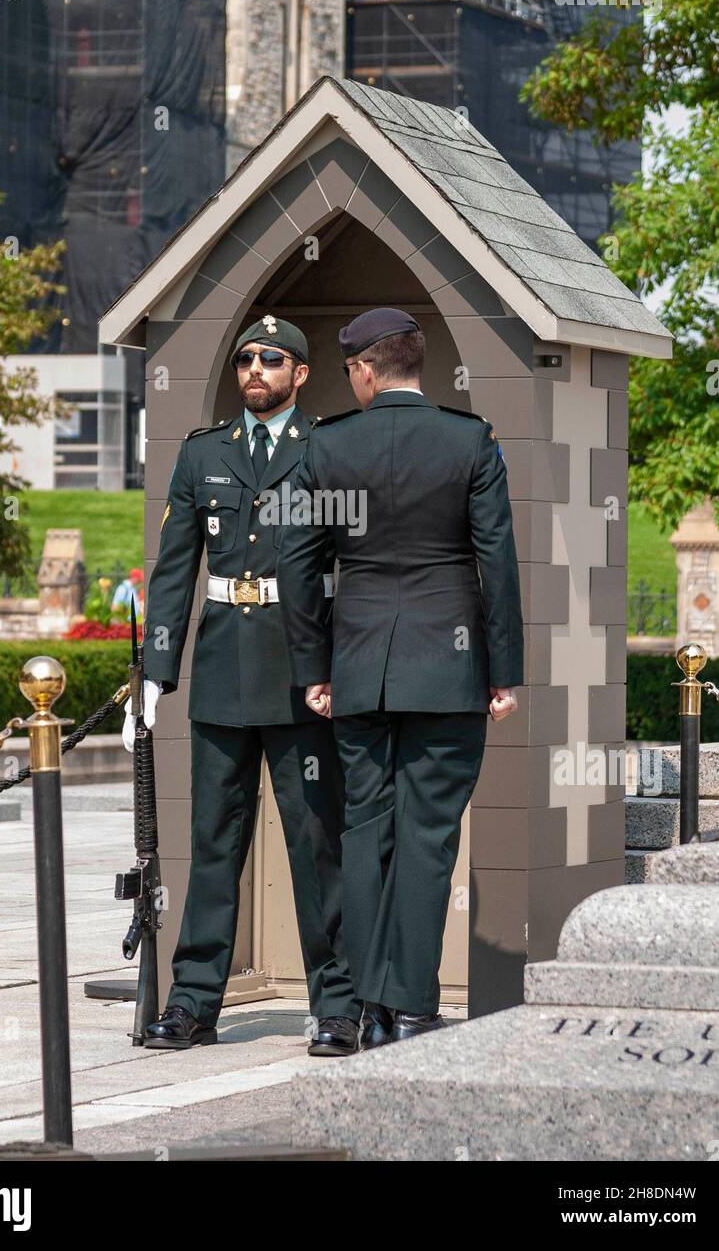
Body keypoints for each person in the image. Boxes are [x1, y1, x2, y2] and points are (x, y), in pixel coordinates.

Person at [276, 307, 524, 1050]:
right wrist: (503, 674)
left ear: (363, 370)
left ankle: (356, 1010)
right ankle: (410, 1007)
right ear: (418, 365)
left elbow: (298, 566)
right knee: (427, 836)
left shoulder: (328, 445)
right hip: (447, 672)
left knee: (364, 832)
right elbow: (497, 567)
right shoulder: (468, 440)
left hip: (358, 668)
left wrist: (313, 667)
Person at [123, 315, 361, 1056]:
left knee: (316, 844)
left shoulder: (326, 448)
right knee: (213, 842)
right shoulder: (203, 456)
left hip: (301, 673)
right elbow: (172, 573)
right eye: (245, 358)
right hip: (223, 671)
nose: (254, 368)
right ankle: (194, 1002)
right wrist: (155, 674)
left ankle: (337, 1007)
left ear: (299, 372)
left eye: (271, 359)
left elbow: (354, 564)